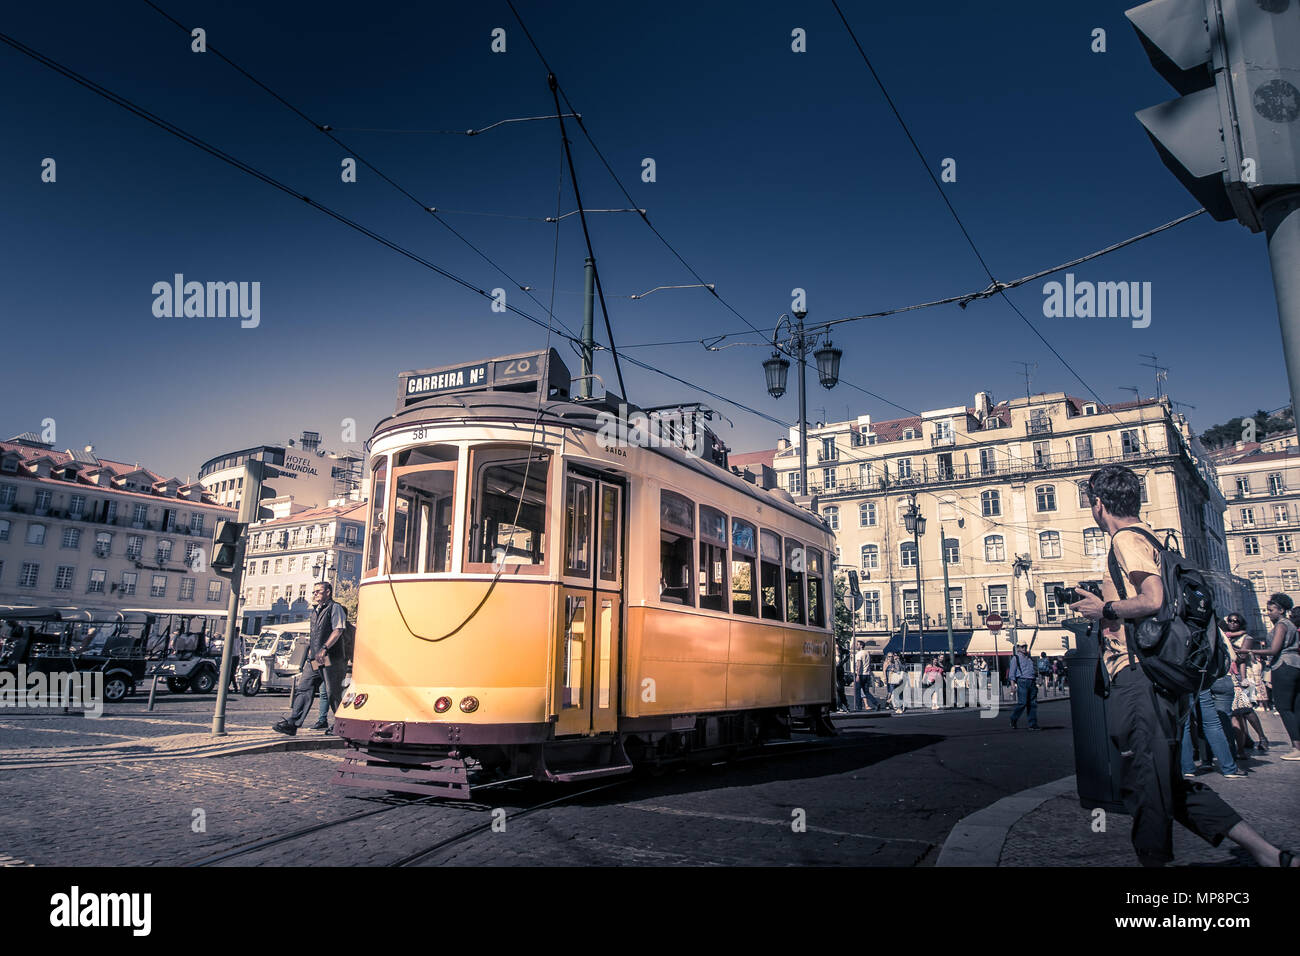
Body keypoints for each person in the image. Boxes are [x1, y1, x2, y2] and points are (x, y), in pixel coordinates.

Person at [1069, 464, 1296, 867]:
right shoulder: (1154, 537)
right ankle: (1267, 853)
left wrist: (1103, 607)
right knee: (1168, 785)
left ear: (1098, 504)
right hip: (1161, 676)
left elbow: (1153, 599)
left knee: (1143, 781)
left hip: (1140, 676)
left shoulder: (1125, 539)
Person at [273, 582, 348, 736]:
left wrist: (324, 648)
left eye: (318, 592)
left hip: (331, 658)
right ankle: (293, 722)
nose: (315, 594)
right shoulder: (315, 611)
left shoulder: (335, 608)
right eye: (313, 592)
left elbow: (338, 630)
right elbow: (315, 635)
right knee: (305, 686)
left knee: (333, 691)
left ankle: (342, 724)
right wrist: (312, 651)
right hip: (316, 658)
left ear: (328, 592)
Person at [1246, 594, 1300, 760]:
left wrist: (1250, 651)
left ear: (1281, 610)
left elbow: (1274, 650)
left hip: (1283, 665)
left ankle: (1297, 747)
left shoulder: (1281, 625)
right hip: (1295, 664)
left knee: (1284, 707)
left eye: (1271, 610)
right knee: (1297, 707)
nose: (1268, 613)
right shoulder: (1290, 624)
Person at [1223, 614, 1269, 755]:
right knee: (1237, 712)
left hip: (1245, 675)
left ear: (1241, 624)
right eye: (1230, 621)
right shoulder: (1228, 636)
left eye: (1236, 622)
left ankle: (1262, 737)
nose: (1232, 624)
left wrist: (1229, 647)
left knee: (1246, 709)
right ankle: (1246, 739)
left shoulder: (1246, 638)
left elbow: (1241, 657)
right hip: (1232, 675)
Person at [1006, 643, 1039, 729]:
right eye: (1022, 646)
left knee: (1032, 704)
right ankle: (1013, 718)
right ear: (1018, 648)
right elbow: (1012, 673)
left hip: (1031, 681)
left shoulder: (1029, 657)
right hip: (1022, 681)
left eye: (1025, 646)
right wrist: (1013, 685)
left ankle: (1032, 724)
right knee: (1022, 703)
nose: (1024, 648)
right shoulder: (1015, 658)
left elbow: (1033, 669)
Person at [854, 642, 882, 712]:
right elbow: (869, 664)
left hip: (861, 674)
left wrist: (857, 675)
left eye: (857, 644)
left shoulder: (859, 654)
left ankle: (859, 707)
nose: (856, 646)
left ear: (861, 646)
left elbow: (859, 664)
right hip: (867, 674)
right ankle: (876, 703)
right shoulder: (867, 653)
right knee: (866, 692)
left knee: (857, 691)